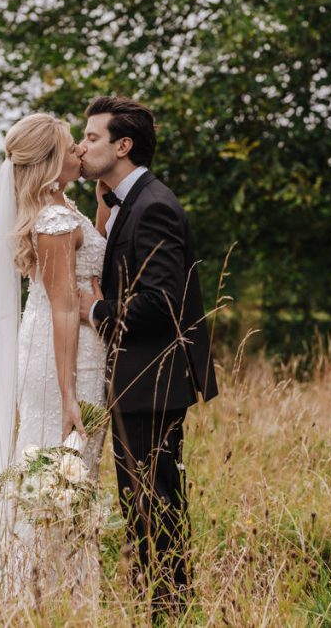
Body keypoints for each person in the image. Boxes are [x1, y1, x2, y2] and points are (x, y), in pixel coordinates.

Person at [0, 113, 109, 612]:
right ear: (52, 160)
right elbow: (61, 306)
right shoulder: (53, 220)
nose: (80, 147)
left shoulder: (61, 207)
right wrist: (66, 395)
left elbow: (90, 257)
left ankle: (63, 594)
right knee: (56, 468)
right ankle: (31, 593)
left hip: (76, 351)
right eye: (69, 143)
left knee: (72, 472)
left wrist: (100, 206)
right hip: (62, 360)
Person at [77, 96, 219, 618]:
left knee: (156, 499)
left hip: (152, 377)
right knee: (141, 500)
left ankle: (171, 608)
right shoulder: (122, 202)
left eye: (92, 137)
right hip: (136, 378)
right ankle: (154, 602)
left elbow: (160, 303)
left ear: (123, 145)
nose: (81, 145)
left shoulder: (154, 204)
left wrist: (95, 309)